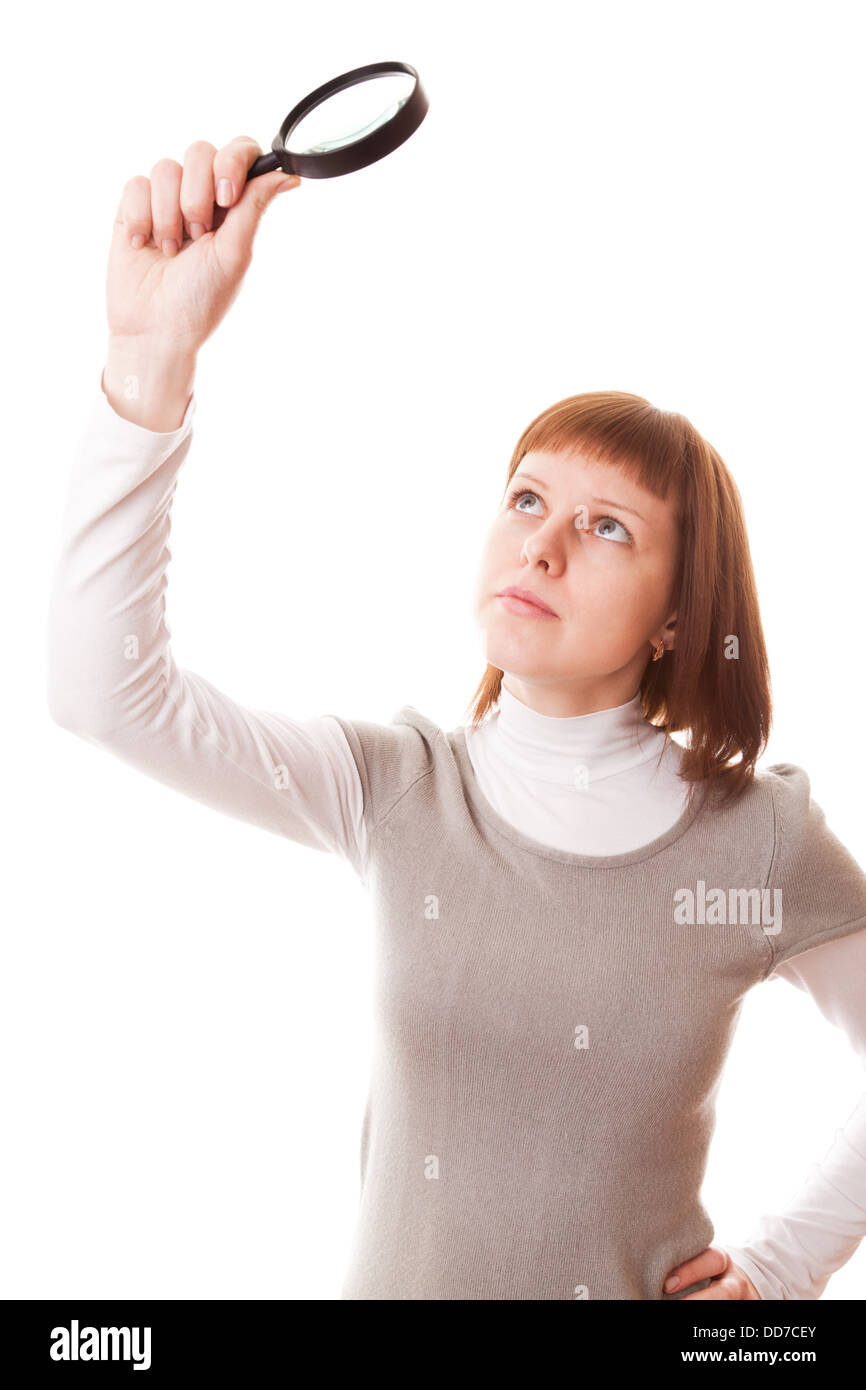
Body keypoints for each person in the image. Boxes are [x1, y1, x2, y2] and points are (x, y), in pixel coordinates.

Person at [47, 136, 866, 1300]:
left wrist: (780, 1276)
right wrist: (149, 358)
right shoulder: (394, 787)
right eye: (526, 497)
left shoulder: (756, 840)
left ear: (677, 620)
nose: (539, 540)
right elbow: (103, 695)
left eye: (606, 527)